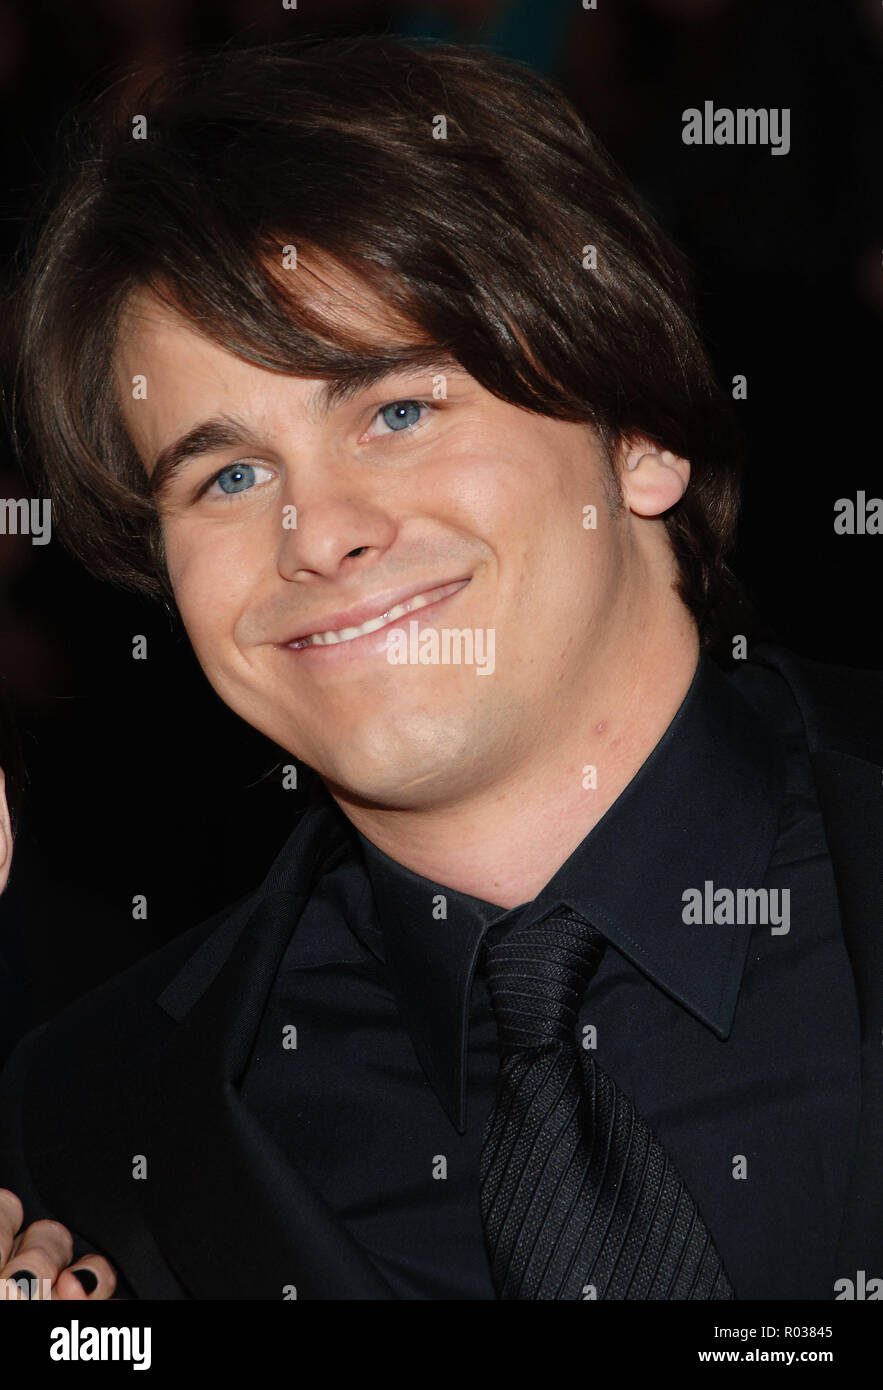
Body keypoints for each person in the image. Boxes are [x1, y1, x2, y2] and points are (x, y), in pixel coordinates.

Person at [0, 34, 879, 1301]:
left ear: (636, 431)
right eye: (229, 475)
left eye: (396, 410)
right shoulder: (88, 1123)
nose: (317, 534)